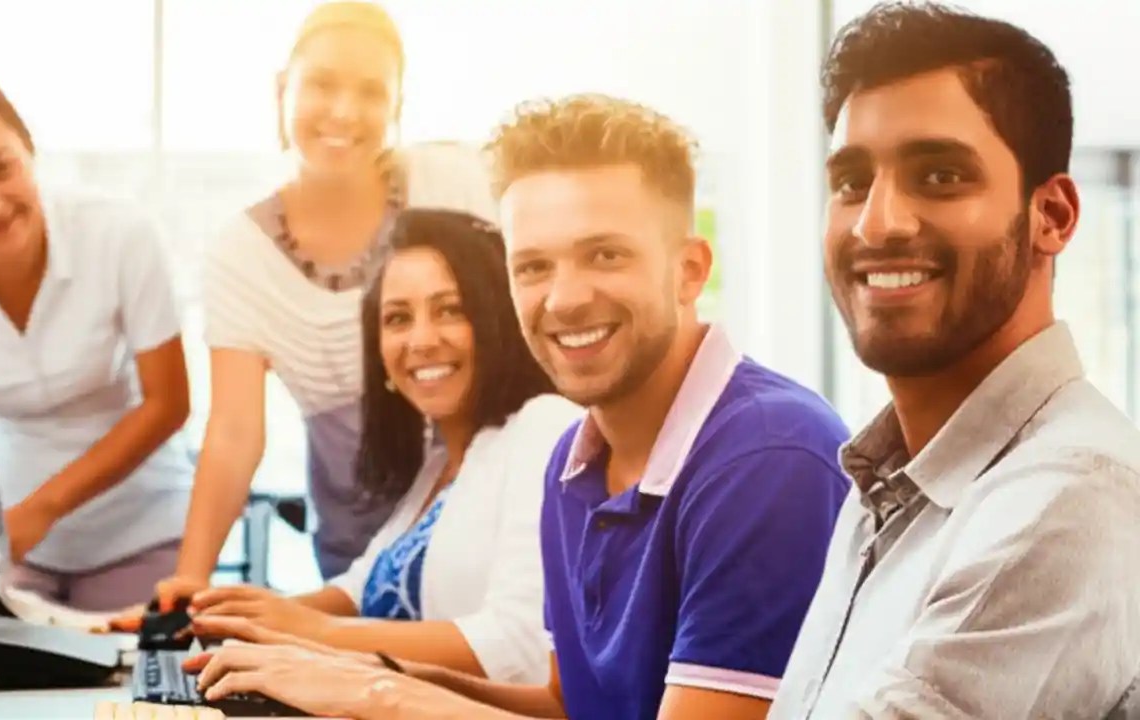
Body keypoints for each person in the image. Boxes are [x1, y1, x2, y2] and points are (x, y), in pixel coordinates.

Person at [185, 94, 852, 720]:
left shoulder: (769, 456)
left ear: (689, 270)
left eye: (605, 254)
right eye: (533, 267)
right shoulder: (573, 461)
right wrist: (335, 671)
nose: (563, 299)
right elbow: (567, 707)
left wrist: (380, 692)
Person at [766, 4, 1140, 718]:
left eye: (939, 176)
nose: (878, 223)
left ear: (1052, 217)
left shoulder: (1067, 498)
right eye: (851, 183)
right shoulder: (892, 485)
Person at [155, 0, 497, 603]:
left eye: (371, 92)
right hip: (360, 548)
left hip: (486, 523)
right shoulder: (241, 251)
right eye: (322, 84)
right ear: (282, 90)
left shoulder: (452, 183)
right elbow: (235, 433)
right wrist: (190, 580)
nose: (344, 111)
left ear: (397, 107)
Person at [183, 208, 578, 684]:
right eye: (397, 319)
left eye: (450, 309)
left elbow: (520, 642)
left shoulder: (546, 426)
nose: (421, 340)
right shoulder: (440, 464)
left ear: (497, 317)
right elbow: (359, 589)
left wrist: (313, 631)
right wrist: (224, 619)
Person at [0, 61, 194, 611]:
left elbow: (169, 403)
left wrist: (43, 509)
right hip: (13, 543)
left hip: (139, 526)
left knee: (122, 680)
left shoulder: (119, 233)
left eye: (1, 169)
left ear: (29, 148)